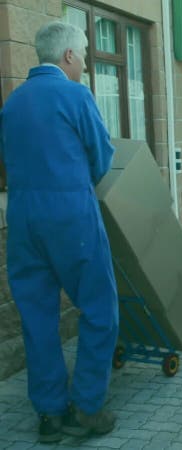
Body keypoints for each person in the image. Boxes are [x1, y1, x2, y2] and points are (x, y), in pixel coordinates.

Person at [0, 21, 118, 442]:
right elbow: (102, 158)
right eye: (84, 53)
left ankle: (49, 414)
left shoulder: (11, 103)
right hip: (70, 214)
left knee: (37, 318)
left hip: (24, 218)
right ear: (68, 56)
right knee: (100, 308)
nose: (86, 62)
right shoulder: (75, 94)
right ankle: (87, 408)